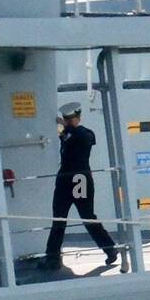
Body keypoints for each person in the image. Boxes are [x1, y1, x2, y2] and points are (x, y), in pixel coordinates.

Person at [43, 102, 118, 269]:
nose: (68, 122)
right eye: (66, 120)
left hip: (79, 179)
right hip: (64, 179)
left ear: (78, 118)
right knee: (59, 219)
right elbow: (65, 137)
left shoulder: (84, 133)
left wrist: (66, 128)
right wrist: (64, 129)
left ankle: (109, 248)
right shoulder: (67, 133)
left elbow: (84, 138)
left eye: (71, 119)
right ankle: (52, 258)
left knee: (87, 216)